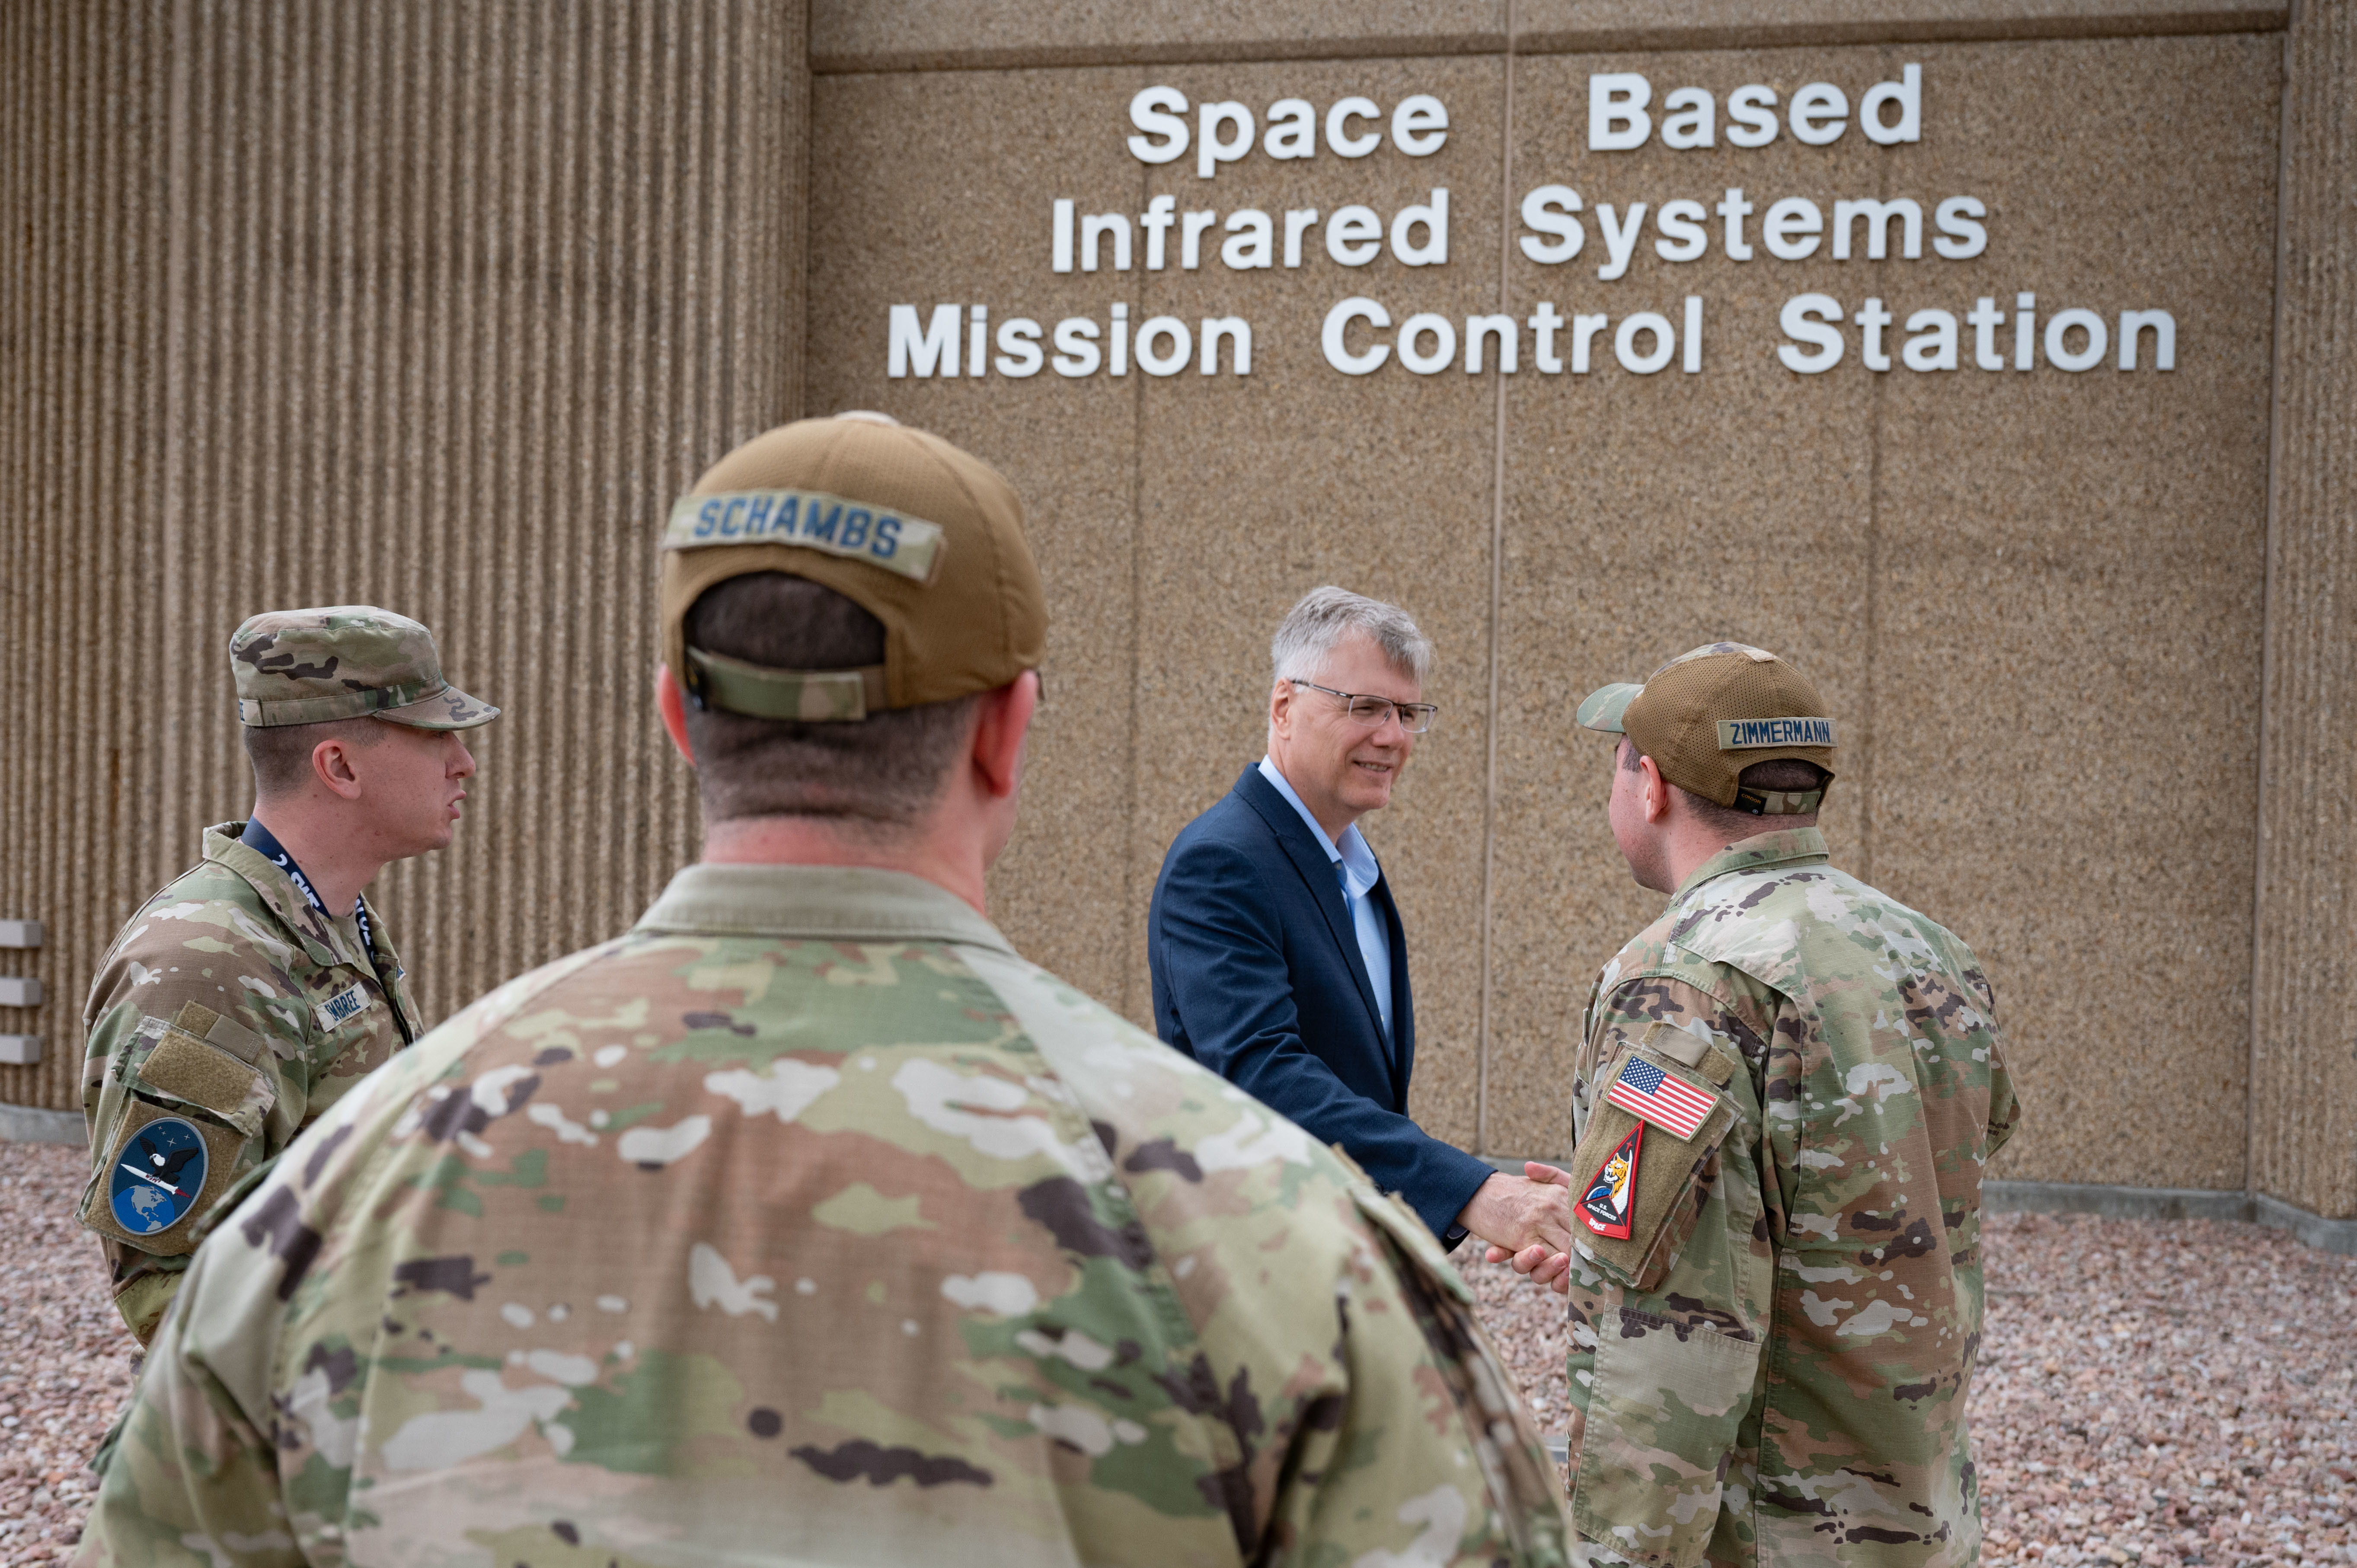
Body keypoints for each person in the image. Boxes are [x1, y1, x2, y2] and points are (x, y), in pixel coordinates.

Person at [76, 415, 1568, 1568]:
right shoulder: (1280, 1236)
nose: (1388, 732)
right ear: (1010, 731)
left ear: (677, 716)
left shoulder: (345, 1190)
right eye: (1366, 703)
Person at [1499, 642, 2022, 1568]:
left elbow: (1664, 1335)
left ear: (1649, 785)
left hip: (1771, 1532)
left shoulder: (1685, 979)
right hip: (1916, 1520)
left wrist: (1617, 1553)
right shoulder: (1930, 951)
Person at [74, 606, 495, 1344]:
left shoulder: (325, 920)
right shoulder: (212, 963)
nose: (464, 762)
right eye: (435, 736)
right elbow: (171, 1290)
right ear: (339, 766)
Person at [1148, 587, 1568, 1257]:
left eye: (1407, 712)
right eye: (1365, 707)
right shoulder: (1222, 861)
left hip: (1342, 1261)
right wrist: (1474, 1191)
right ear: (1284, 706)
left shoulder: (1352, 865)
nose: (1393, 736)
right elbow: (1263, 1073)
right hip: (1255, 1268)